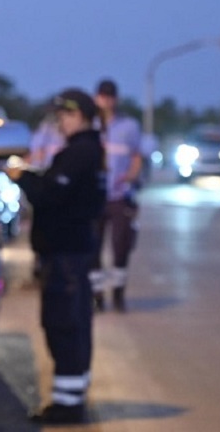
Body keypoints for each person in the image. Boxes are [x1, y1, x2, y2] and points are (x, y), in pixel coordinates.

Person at [7, 89, 106, 425]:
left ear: (78, 115)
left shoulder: (81, 152)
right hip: (69, 256)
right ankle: (70, 399)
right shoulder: (85, 150)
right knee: (69, 325)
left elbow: (52, 193)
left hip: (66, 258)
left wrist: (24, 177)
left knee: (64, 326)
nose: (60, 122)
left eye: (63, 116)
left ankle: (68, 406)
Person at [91, 79, 143, 312]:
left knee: (121, 245)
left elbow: (136, 156)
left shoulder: (129, 126)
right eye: (102, 96)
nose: (106, 101)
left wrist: (130, 176)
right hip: (94, 195)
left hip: (119, 195)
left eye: (110, 96)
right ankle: (97, 294)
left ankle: (119, 293)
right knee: (93, 246)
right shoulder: (90, 123)